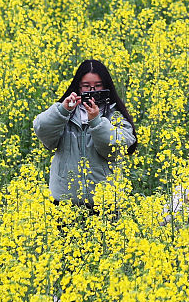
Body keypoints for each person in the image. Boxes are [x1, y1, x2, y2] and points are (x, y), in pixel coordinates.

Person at [33, 59, 138, 212]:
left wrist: (96, 122)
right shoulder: (66, 112)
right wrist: (62, 111)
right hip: (65, 202)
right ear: (78, 87)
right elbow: (42, 130)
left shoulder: (114, 114)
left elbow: (118, 147)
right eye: (86, 86)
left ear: (106, 86)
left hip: (104, 204)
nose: (92, 91)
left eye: (98, 86)